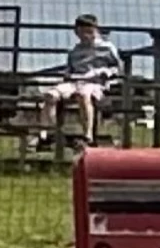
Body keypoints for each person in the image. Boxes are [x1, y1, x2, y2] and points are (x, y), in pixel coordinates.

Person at [32, 13, 121, 148]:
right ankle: (46, 134)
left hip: (95, 82)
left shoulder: (107, 48)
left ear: (95, 31)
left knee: (84, 95)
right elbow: (69, 69)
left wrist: (104, 73)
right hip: (74, 81)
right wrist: (68, 76)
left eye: (88, 32)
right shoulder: (75, 50)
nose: (85, 36)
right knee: (51, 95)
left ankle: (87, 135)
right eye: (81, 33)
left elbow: (117, 67)